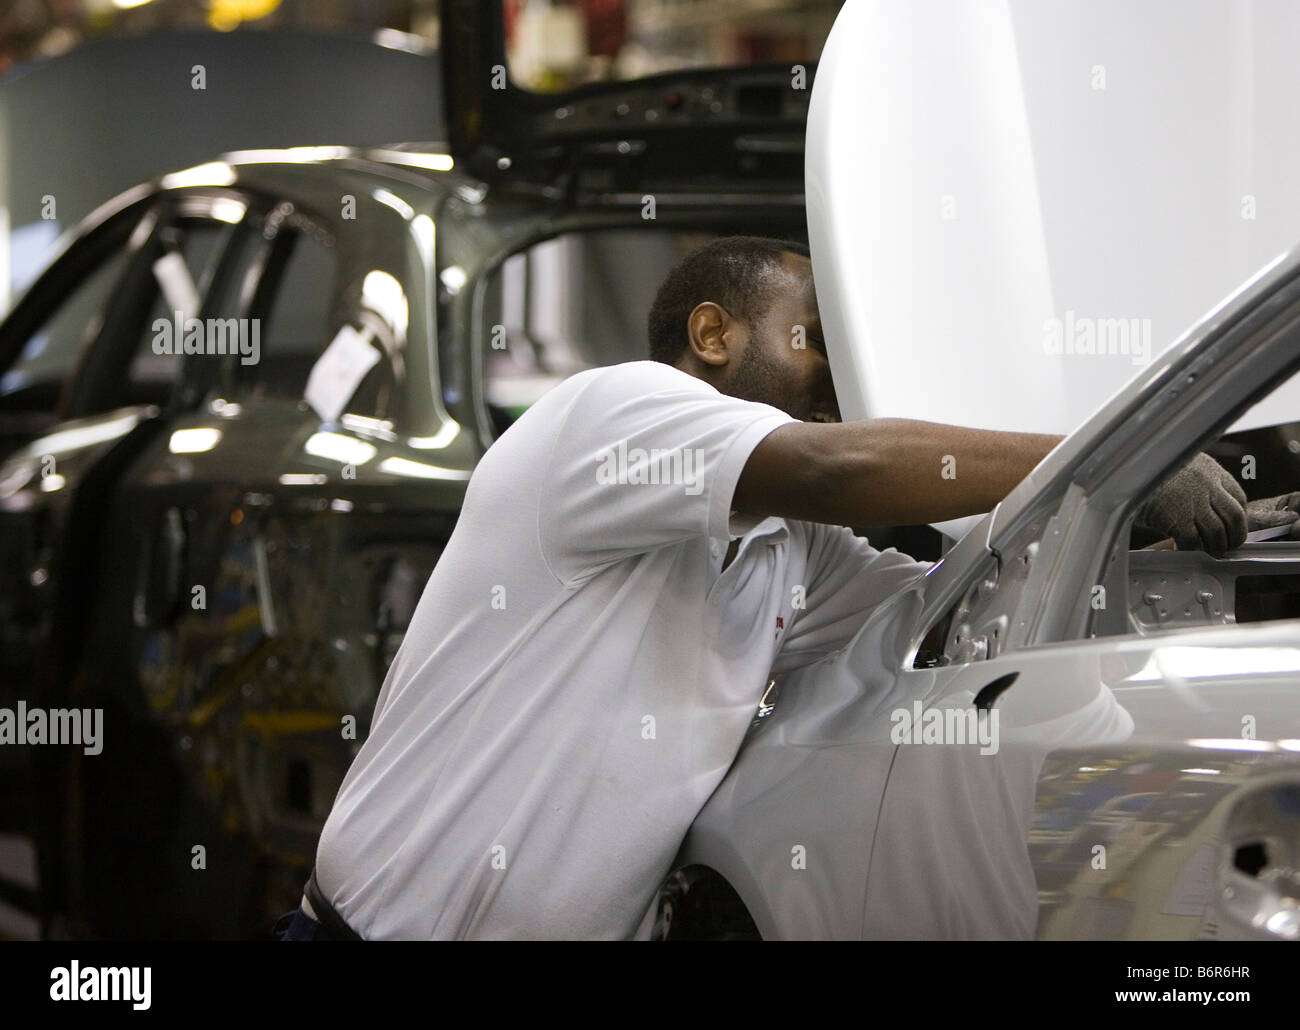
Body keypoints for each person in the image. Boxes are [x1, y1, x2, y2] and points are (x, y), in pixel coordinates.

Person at [274, 235, 1297, 940]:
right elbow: (832, 466)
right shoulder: (611, 413)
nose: (837, 365)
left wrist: (1145, 548)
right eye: (812, 332)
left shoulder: (789, 553)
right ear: (713, 334)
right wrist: (1101, 464)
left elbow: (957, 608)